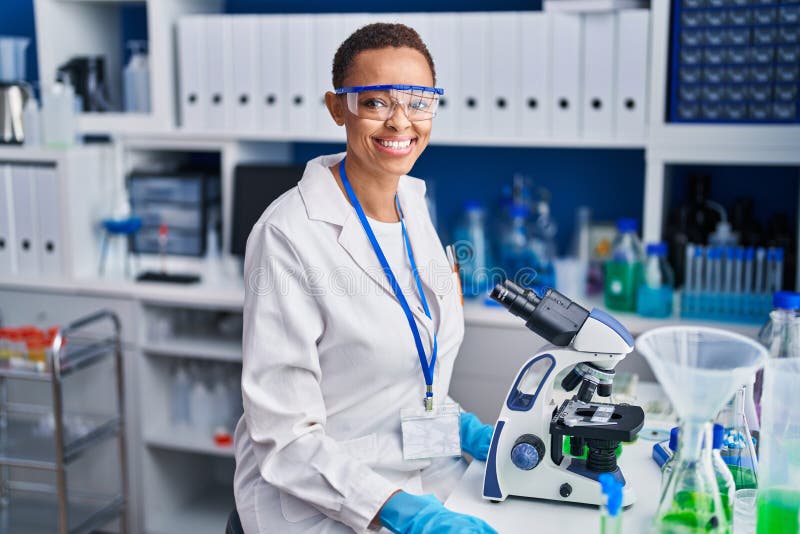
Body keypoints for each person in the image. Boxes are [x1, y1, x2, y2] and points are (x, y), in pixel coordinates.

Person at [233, 22, 497, 533]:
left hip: (417, 469)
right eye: (376, 102)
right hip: (315, 503)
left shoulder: (412, 206)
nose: (402, 122)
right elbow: (286, 440)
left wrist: (462, 428)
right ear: (338, 108)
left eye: (419, 101)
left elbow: (410, 372)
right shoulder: (288, 235)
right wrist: (406, 513)